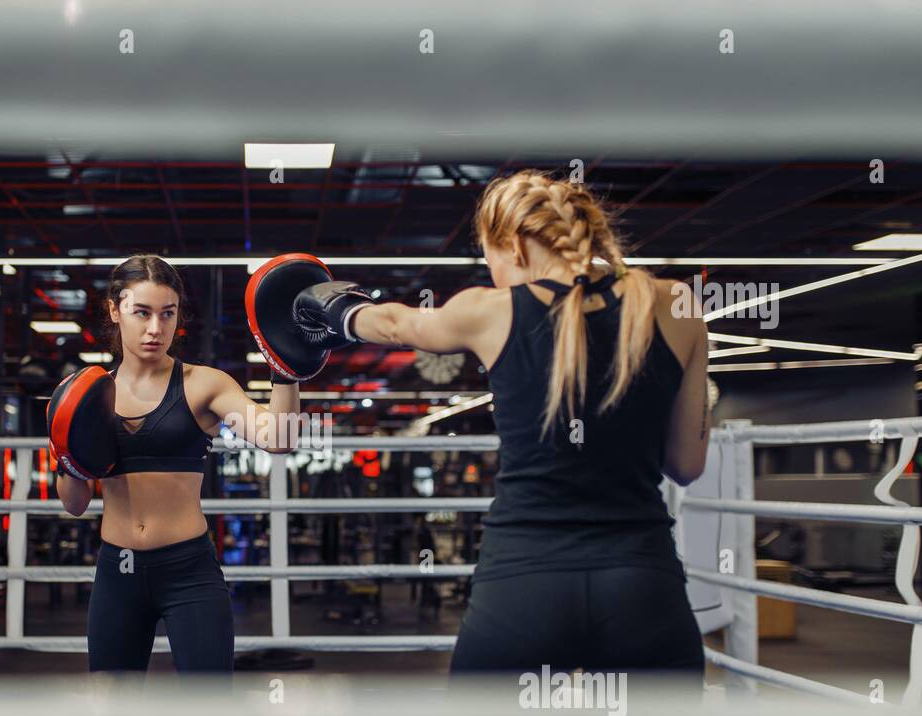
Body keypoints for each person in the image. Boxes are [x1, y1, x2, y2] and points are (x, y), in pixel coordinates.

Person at [291, 170, 710, 686]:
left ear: (512, 245)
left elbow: (398, 324)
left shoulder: (488, 311)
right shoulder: (675, 305)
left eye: (489, 256)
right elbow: (687, 466)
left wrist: (330, 308)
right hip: (641, 580)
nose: (490, 273)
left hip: (525, 580)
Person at [53, 255, 301, 674]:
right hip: (119, 570)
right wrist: (69, 453)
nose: (156, 328)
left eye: (167, 314)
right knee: (114, 704)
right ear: (116, 310)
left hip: (189, 570)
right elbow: (74, 504)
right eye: (142, 313)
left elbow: (279, 438)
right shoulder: (85, 394)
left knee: (207, 707)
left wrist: (285, 367)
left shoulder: (203, 384)